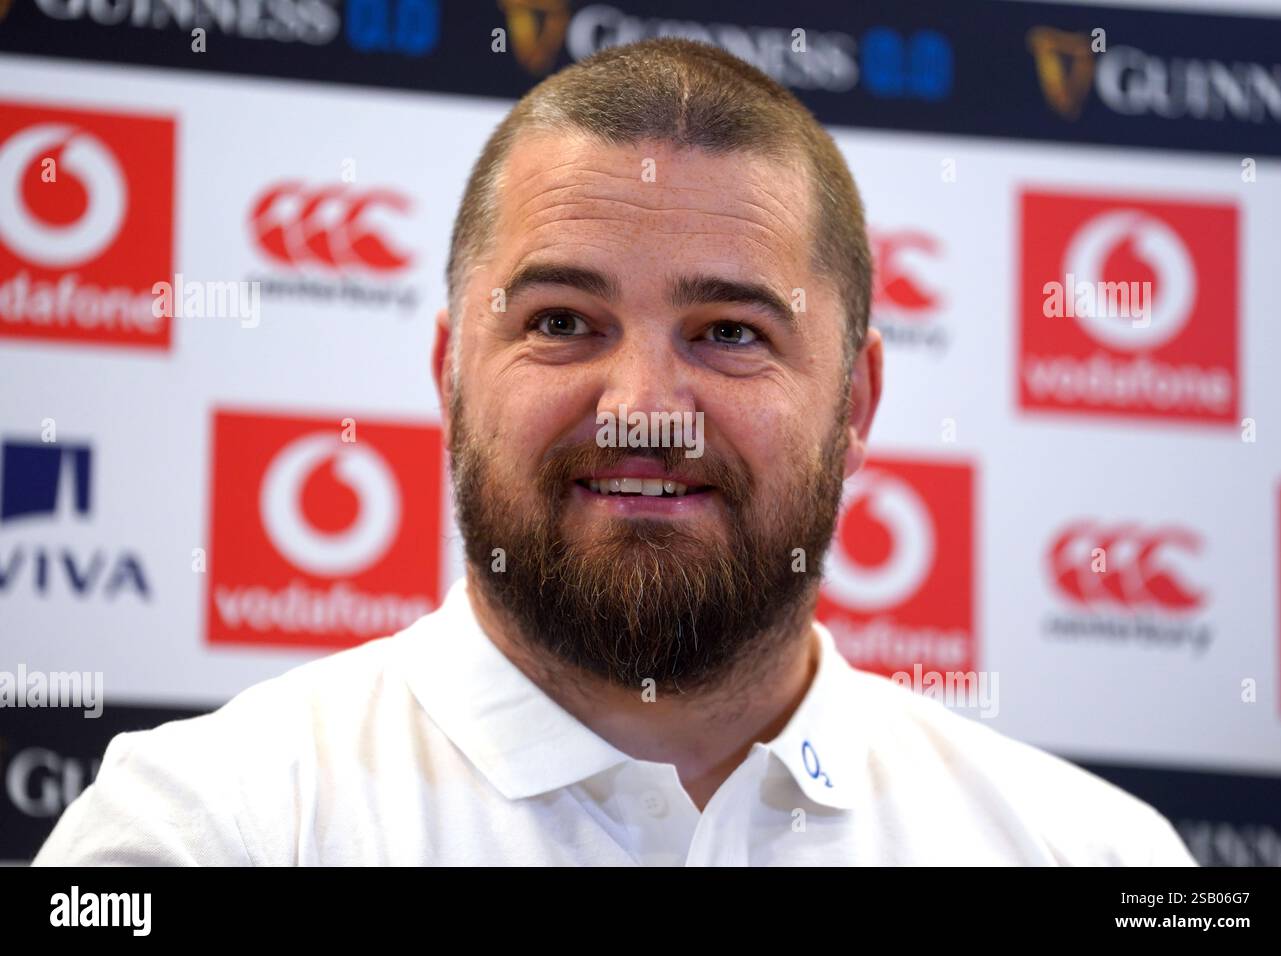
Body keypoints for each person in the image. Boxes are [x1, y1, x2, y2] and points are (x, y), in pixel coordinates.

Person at [34, 38, 1196, 866]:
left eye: (730, 332)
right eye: (560, 322)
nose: (643, 406)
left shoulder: (1090, 854)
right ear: (450, 372)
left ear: (855, 400)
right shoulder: (204, 830)